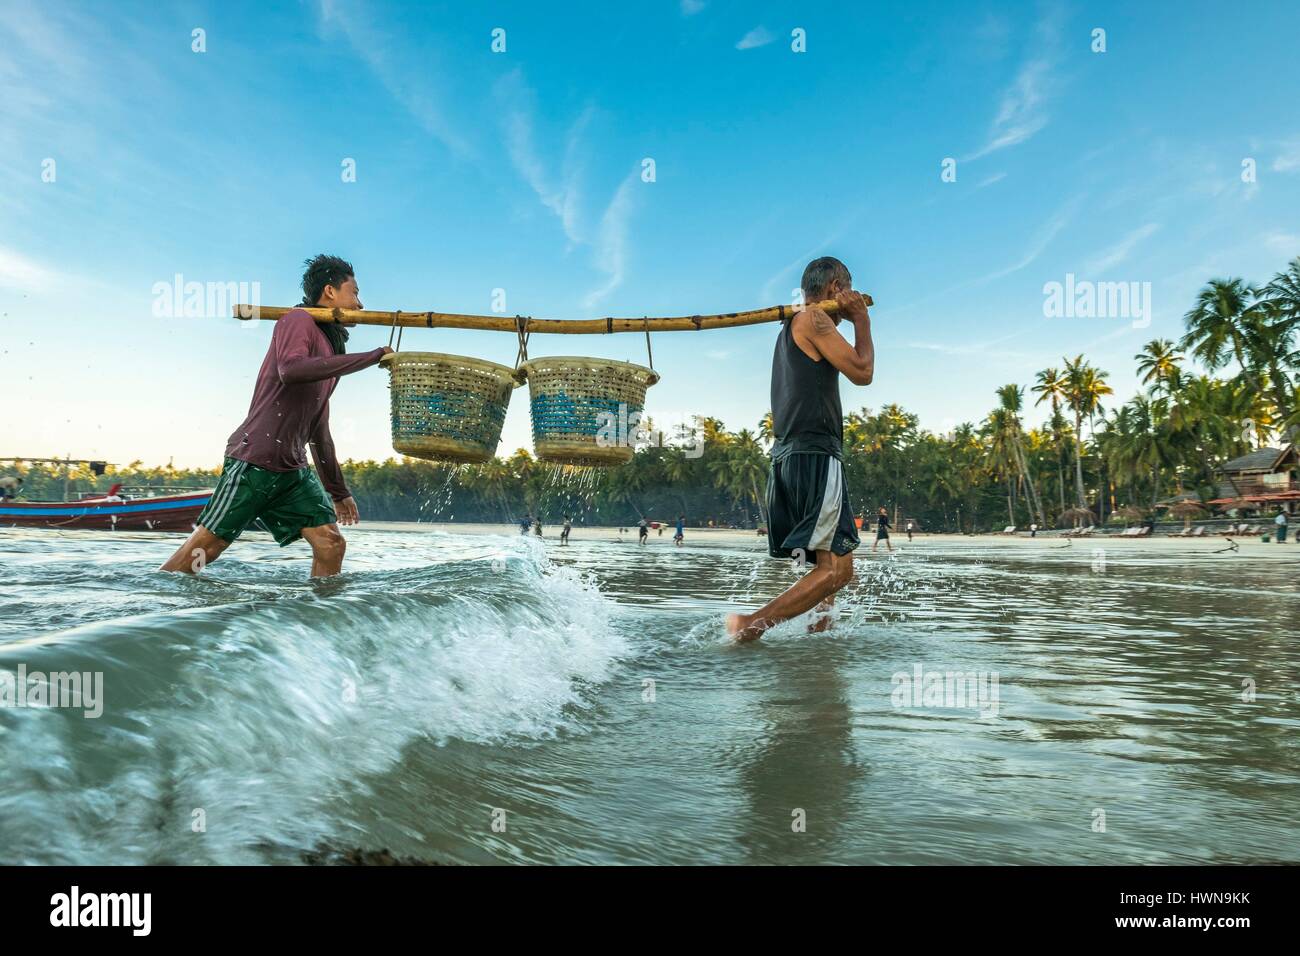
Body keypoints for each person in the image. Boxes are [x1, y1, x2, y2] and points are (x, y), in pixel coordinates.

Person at [161, 255, 389, 577]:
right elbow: (291, 370)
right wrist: (371, 357)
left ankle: (319, 618)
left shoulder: (330, 351)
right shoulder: (297, 320)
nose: (361, 304)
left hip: (292, 471)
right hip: (255, 462)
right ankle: (148, 606)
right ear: (329, 292)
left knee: (331, 543)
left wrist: (338, 492)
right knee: (204, 550)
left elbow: (319, 432)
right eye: (354, 293)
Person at [727, 256, 873, 642]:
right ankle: (750, 626)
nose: (852, 296)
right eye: (848, 288)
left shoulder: (794, 324)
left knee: (841, 569)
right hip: (814, 453)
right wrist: (861, 319)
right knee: (831, 570)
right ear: (834, 289)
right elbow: (863, 372)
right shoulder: (815, 319)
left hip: (794, 454)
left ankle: (817, 637)